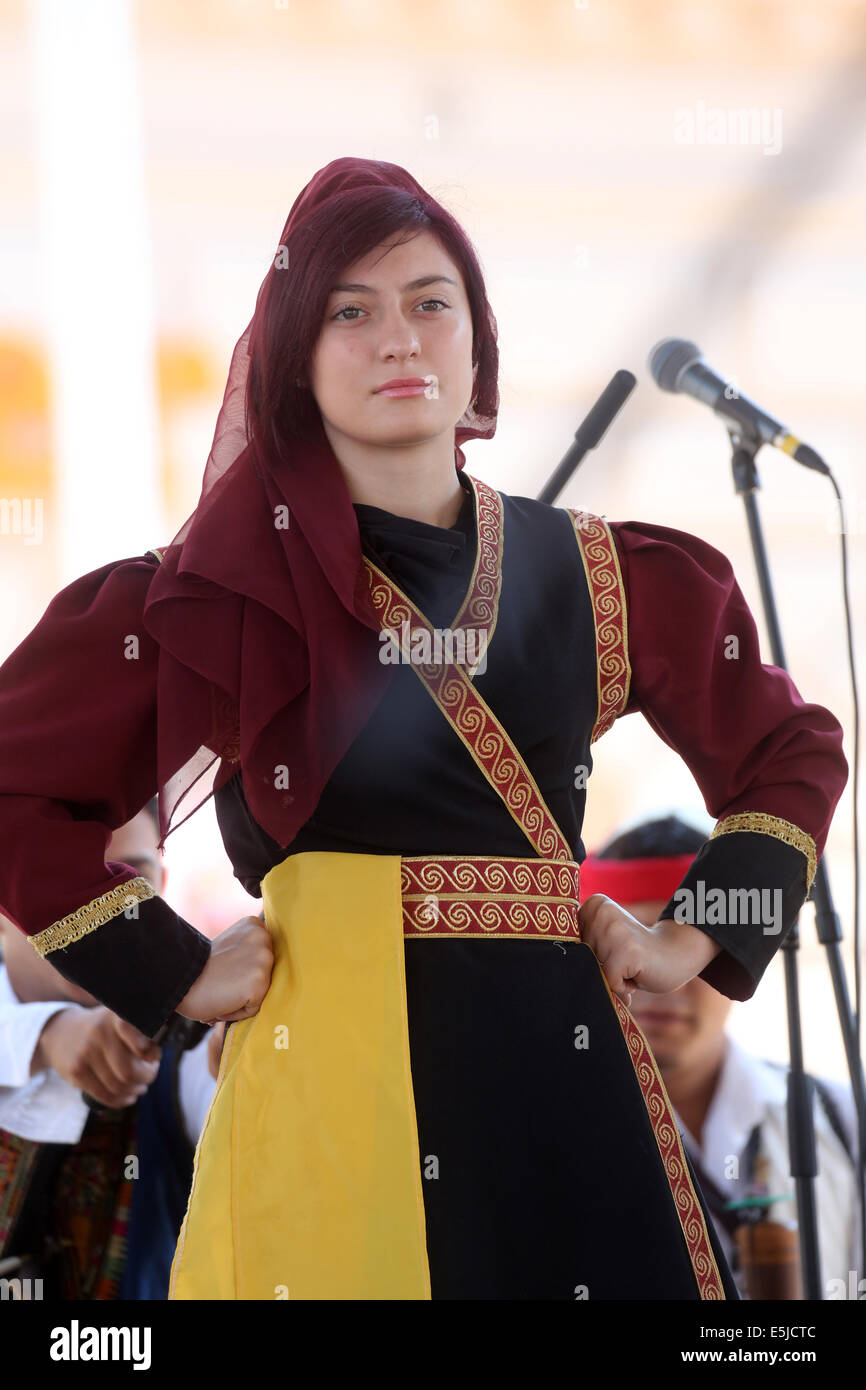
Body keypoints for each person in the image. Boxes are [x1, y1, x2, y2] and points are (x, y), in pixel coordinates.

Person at [0, 157, 848, 1301]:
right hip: (328, 1072)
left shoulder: (597, 571)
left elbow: (787, 747)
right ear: (294, 360)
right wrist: (173, 967)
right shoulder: (206, 600)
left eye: (427, 302)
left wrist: (689, 937)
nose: (397, 337)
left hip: (563, 1069)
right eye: (348, 311)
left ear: (474, 343)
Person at [580, 814, 861, 1300]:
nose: (664, 984)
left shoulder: (843, 1122)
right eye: (633, 942)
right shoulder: (555, 1131)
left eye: (684, 949)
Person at [0, 799, 217, 1299]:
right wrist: (48, 1034)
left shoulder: (189, 1050)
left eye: (127, 881)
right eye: (61, 881)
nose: (100, 913)